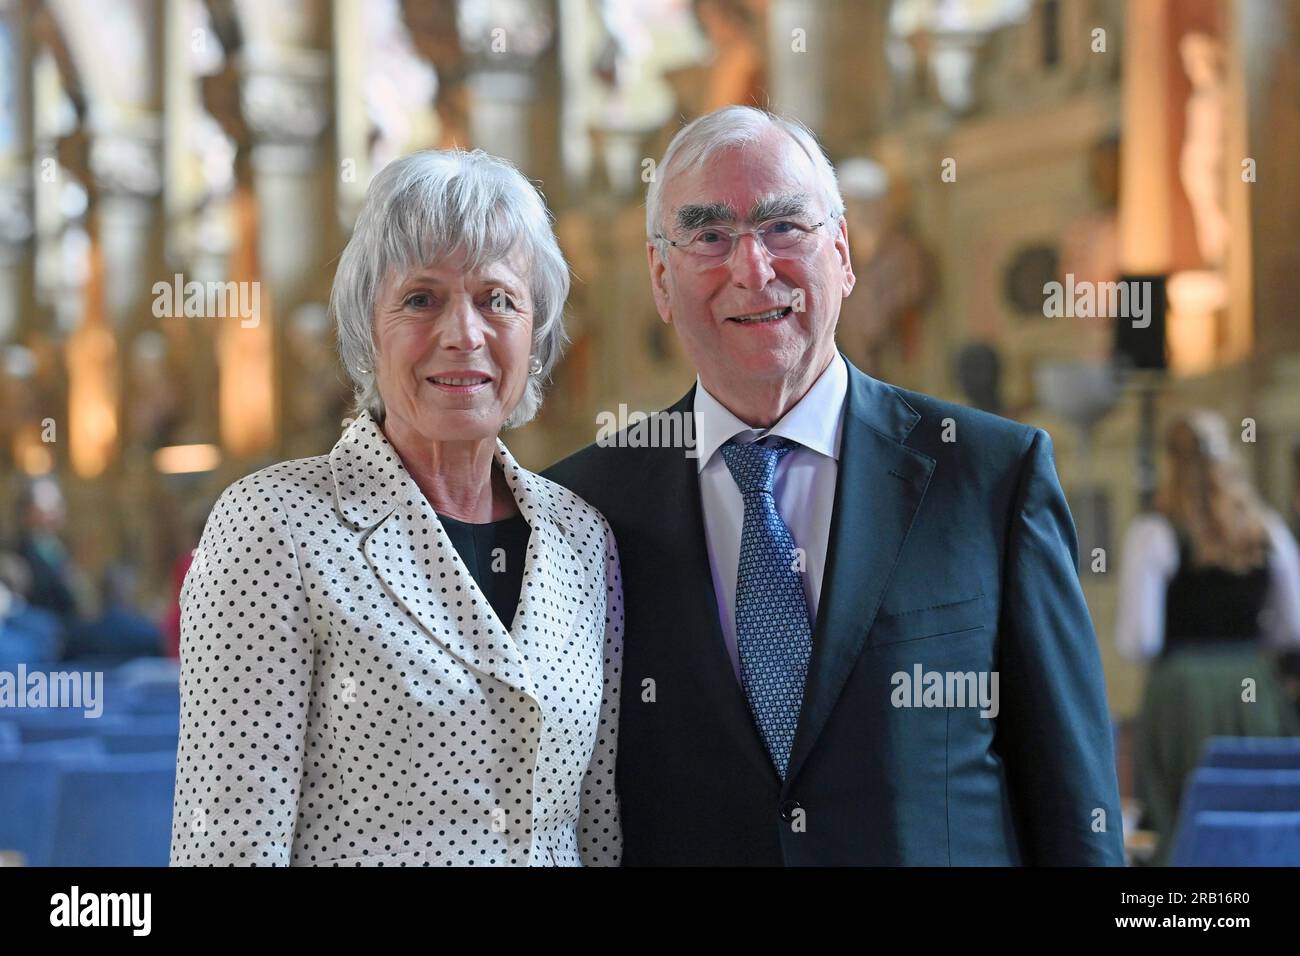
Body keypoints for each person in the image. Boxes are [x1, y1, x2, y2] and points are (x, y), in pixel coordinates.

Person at [546, 105, 1123, 865]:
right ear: (660, 277)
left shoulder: (990, 479)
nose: (753, 269)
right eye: (710, 236)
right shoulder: (580, 511)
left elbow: (1074, 805)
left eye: (786, 227)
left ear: (844, 254)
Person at [170, 149, 622, 867]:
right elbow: (226, 847)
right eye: (422, 298)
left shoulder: (581, 537)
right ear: (366, 331)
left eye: (497, 299)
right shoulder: (273, 526)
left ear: (534, 335)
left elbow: (594, 829)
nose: (463, 334)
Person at [1117, 410, 1300, 863]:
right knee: (1259, 815)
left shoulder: (1154, 531)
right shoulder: (1267, 530)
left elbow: (1139, 638)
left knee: (1181, 824)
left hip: (1181, 692)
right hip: (1254, 688)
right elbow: (1292, 626)